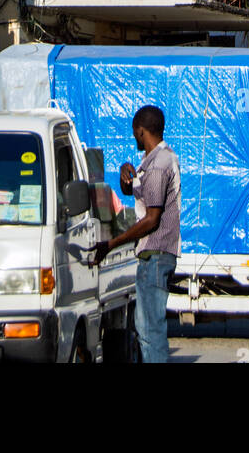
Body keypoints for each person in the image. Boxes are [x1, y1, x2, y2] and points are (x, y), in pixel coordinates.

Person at [91, 105, 180, 363]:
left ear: (141, 131)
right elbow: (135, 193)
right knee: (145, 326)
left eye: (134, 132)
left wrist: (112, 243)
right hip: (155, 254)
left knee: (150, 329)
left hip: (155, 253)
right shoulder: (155, 160)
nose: (134, 137)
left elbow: (151, 219)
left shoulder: (157, 165)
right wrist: (125, 173)